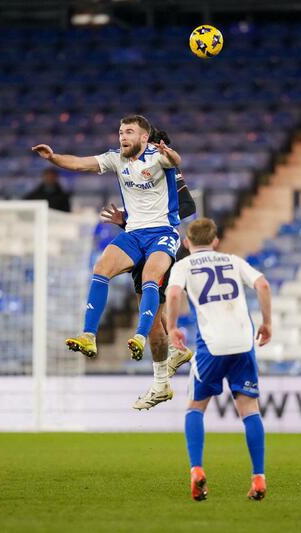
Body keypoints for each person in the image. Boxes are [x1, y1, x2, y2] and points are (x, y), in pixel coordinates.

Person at [32, 114, 182, 408]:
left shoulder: (157, 158)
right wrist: (53, 158)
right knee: (100, 269)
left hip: (163, 233)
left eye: (128, 132)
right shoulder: (116, 159)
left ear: (143, 137)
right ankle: (88, 335)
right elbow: (79, 163)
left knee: (151, 277)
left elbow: (175, 161)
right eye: (120, 132)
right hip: (134, 233)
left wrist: (170, 153)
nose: (122, 136)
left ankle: (139, 336)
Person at [165, 217, 272, 502]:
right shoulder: (233, 261)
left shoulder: (183, 265)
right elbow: (263, 286)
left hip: (211, 345)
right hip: (242, 341)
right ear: (215, 241)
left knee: (195, 408)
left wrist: (172, 327)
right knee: (250, 410)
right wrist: (267, 323)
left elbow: (173, 293)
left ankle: (197, 470)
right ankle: (258, 477)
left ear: (186, 244)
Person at [98, 127, 195, 409]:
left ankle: (161, 384)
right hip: (144, 242)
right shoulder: (136, 169)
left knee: (151, 317)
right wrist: (127, 220)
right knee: (151, 312)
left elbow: (186, 205)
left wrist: (133, 219)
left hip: (160, 243)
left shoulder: (163, 168)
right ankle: (175, 355)